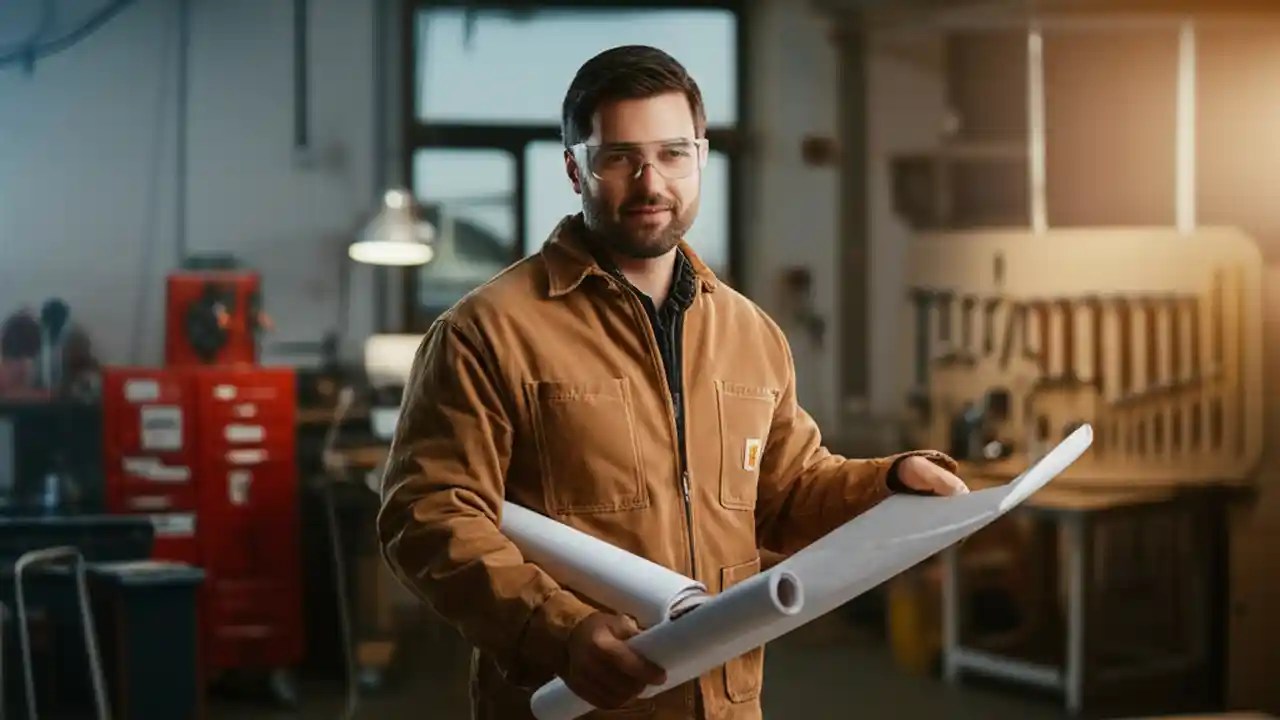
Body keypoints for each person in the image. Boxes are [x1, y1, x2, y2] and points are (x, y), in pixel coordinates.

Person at [377, 45, 969, 720]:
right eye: (619, 156)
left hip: (725, 705)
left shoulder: (751, 333)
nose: (650, 181)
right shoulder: (487, 331)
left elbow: (787, 492)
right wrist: (556, 629)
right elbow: (427, 515)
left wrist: (891, 483)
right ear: (575, 169)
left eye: (672, 154)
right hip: (579, 705)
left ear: (702, 157)